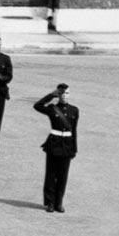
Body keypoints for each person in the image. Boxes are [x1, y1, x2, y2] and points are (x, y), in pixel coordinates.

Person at [34, 84, 79, 213]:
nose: (65, 96)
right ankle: (49, 203)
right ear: (58, 95)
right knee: (51, 174)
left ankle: (59, 203)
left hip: (67, 146)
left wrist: (74, 148)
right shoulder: (52, 108)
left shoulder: (74, 110)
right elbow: (37, 106)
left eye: (67, 93)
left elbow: (74, 130)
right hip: (54, 144)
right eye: (62, 93)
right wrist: (51, 95)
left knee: (63, 176)